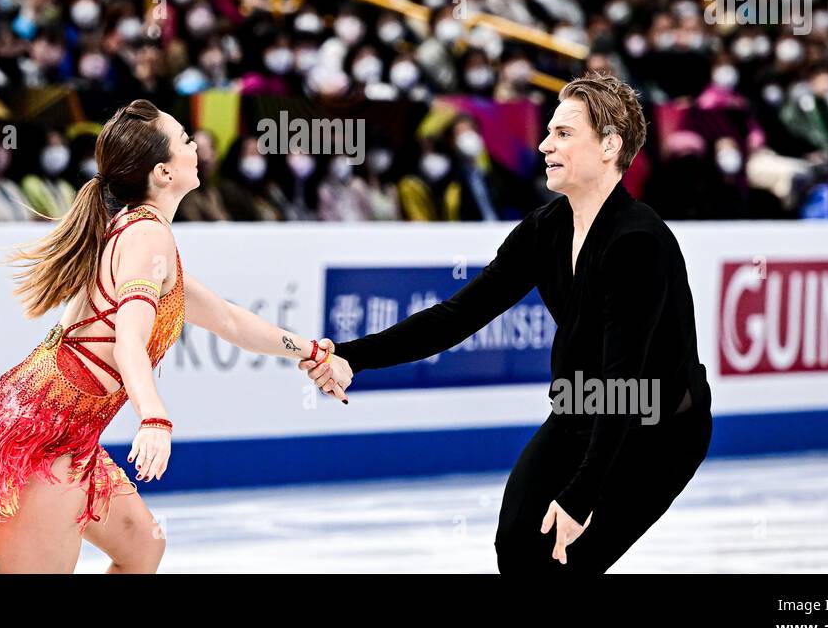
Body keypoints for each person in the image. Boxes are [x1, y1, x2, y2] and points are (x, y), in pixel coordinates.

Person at [0, 99, 340, 572]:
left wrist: (312, 350)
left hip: (69, 432)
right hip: (41, 440)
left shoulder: (143, 232)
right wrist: (154, 417)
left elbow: (228, 319)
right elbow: (129, 340)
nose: (196, 145)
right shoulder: (146, 236)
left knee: (143, 546)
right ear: (164, 172)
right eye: (186, 139)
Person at [305, 72, 712, 573]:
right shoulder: (545, 230)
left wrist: (582, 491)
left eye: (564, 133)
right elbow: (457, 316)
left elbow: (622, 380)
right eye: (548, 132)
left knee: (567, 562)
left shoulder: (638, 244)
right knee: (517, 547)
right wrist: (354, 356)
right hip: (586, 409)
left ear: (610, 145)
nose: (544, 145)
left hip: (656, 428)